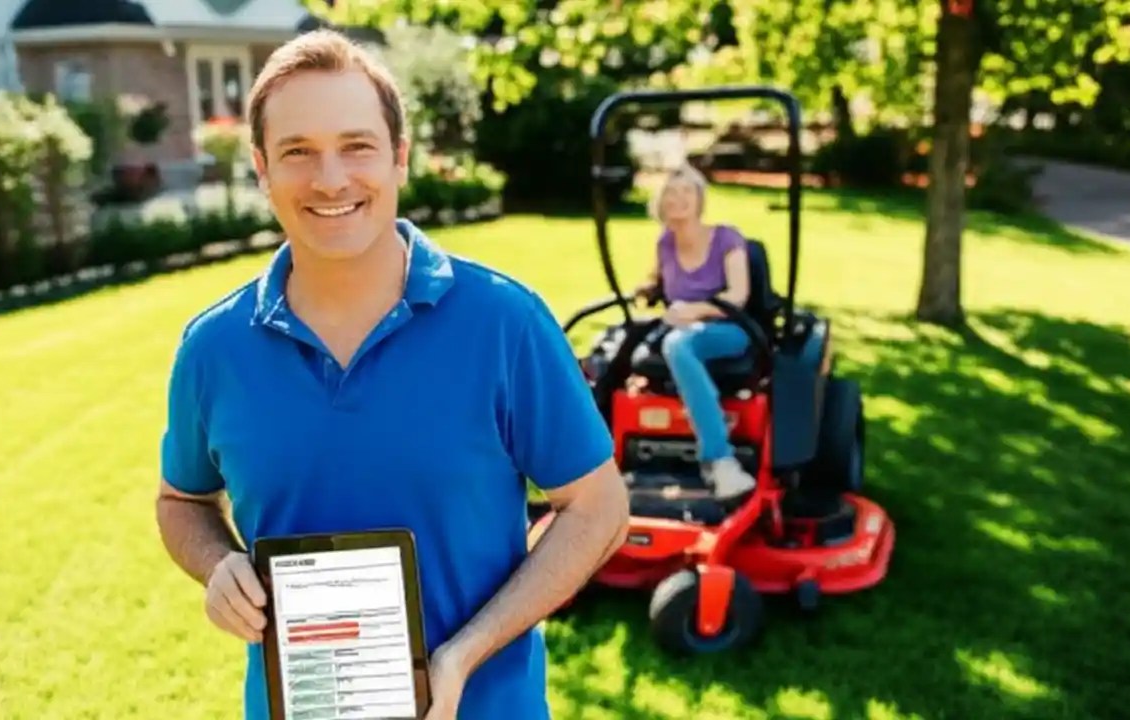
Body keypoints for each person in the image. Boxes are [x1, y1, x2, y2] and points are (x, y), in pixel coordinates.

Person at [153, 30, 629, 720]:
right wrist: (217, 564)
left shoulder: (504, 321)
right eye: (298, 153)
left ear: (400, 158)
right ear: (260, 167)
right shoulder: (213, 349)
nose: (331, 179)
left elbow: (598, 506)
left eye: (357, 146)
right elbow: (181, 502)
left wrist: (464, 653)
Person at [638, 164, 757, 501]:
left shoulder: (726, 239)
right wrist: (648, 287)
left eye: (686, 192)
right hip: (681, 327)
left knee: (677, 345)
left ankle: (720, 460)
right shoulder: (665, 243)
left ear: (699, 199)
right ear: (661, 204)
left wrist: (695, 310)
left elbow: (738, 296)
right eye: (671, 193)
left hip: (729, 329)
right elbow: (658, 279)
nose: (678, 199)